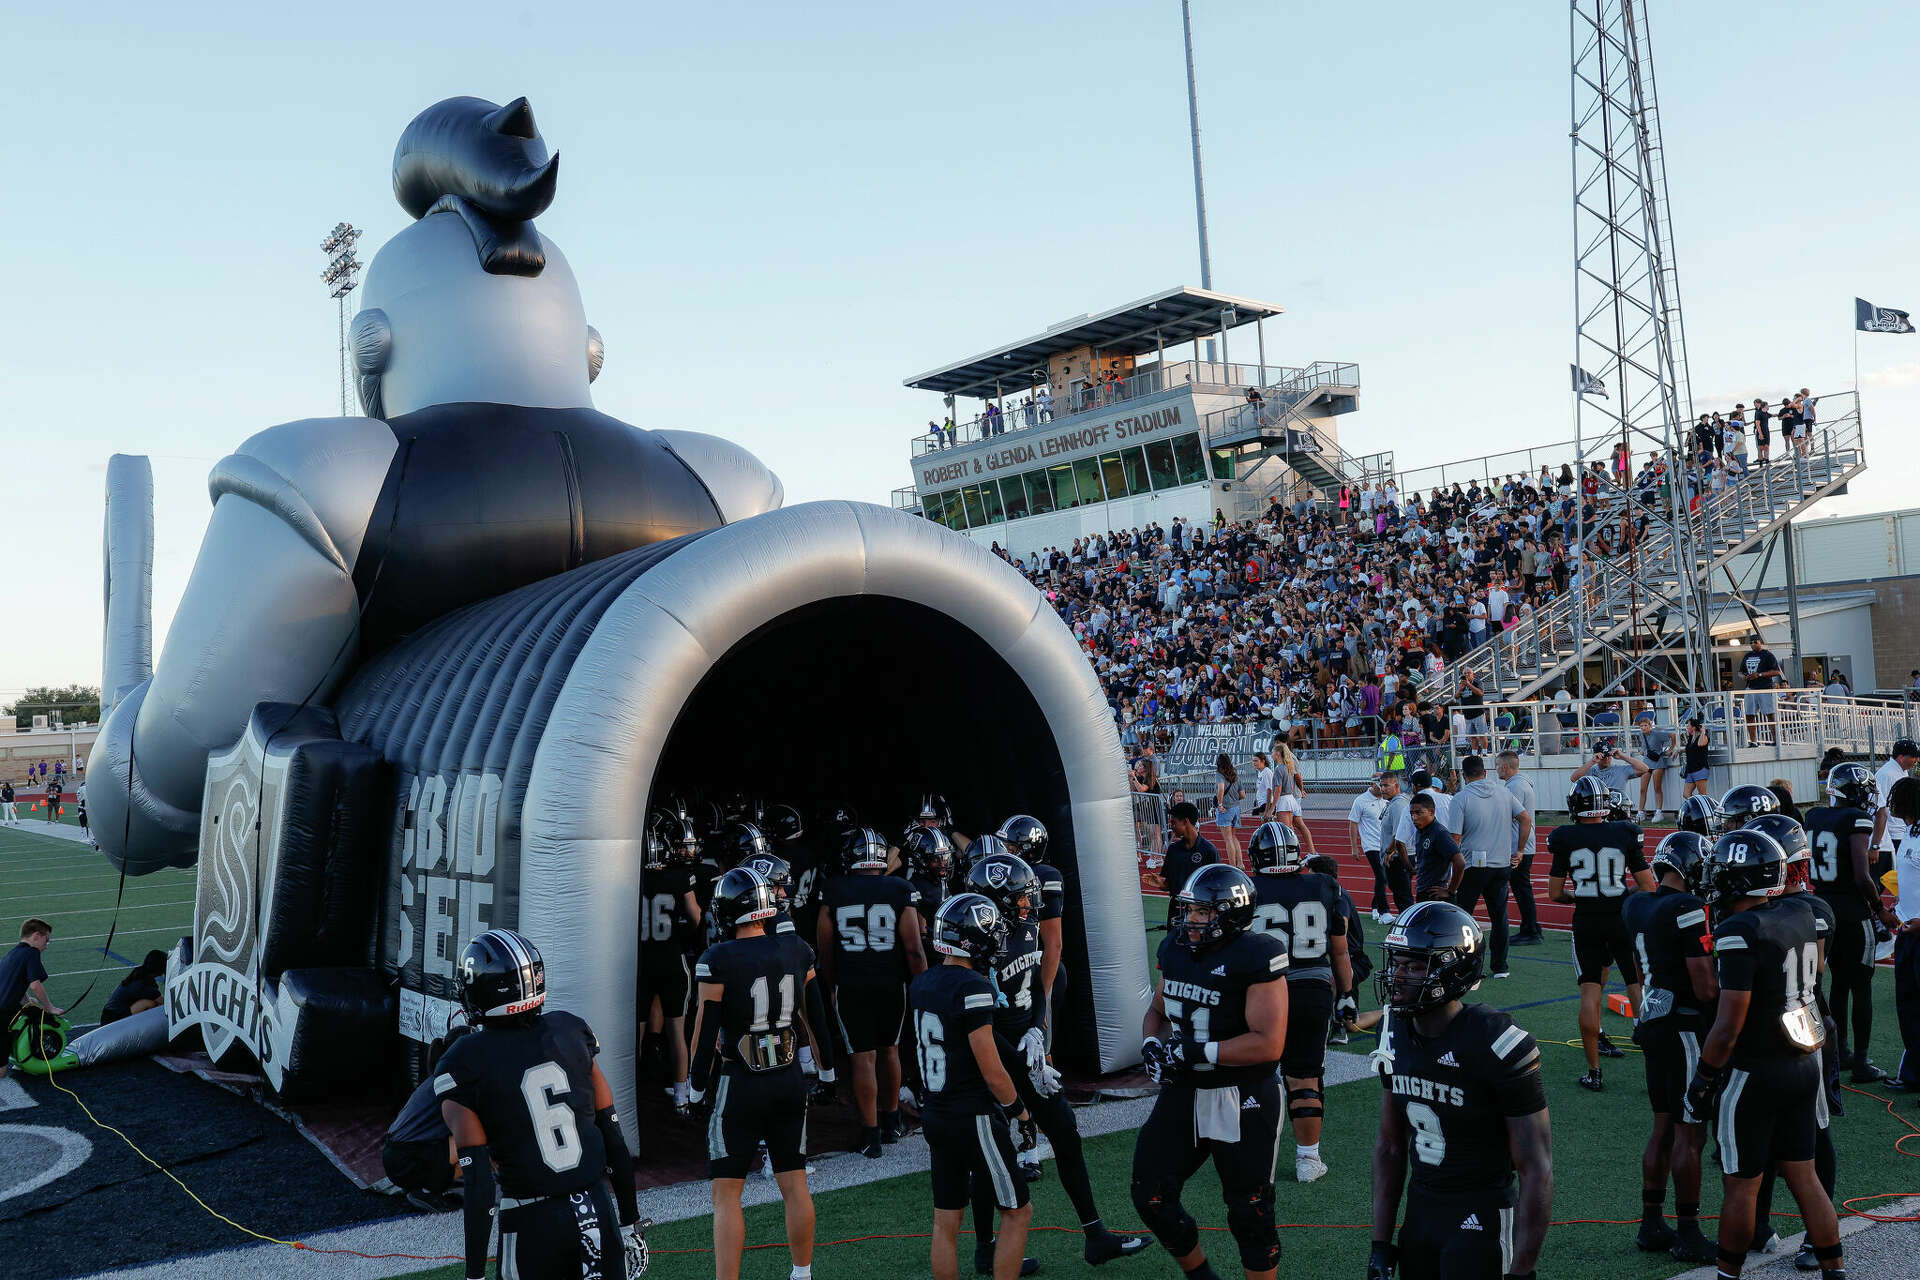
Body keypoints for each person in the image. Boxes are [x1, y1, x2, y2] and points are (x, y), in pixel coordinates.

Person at [963, 850, 1148, 1268]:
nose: (1030, 905)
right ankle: (984, 1249)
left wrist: (1037, 1033)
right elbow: (976, 1021)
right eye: (1021, 897)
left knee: (1064, 1129)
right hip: (988, 1056)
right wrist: (1021, 1051)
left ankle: (1095, 1234)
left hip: (1023, 1045)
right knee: (987, 1153)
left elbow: (1037, 986)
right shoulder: (974, 940)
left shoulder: (1026, 930)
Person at [436, 929, 647, 1280]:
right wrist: (628, 1222)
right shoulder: (571, 1031)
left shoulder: (463, 1061)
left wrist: (474, 1274)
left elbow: (479, 1183)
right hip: (595, 1209)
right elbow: (612, 1136)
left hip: (531, 1219)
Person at [1684, 830, 1847, 1279]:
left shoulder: (1739, 930)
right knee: (1805, 1177)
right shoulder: (1802, 911)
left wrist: (1703, 1079)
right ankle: (1835, 1273)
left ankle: (1727, 1275)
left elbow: (1728, 1021)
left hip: (1754, 1071)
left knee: (1742, 1187)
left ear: (1739, 878)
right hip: (1801, 1063)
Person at [1368, 901, 1552, 1280]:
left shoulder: (1496, 1041)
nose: (1398, 976)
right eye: (1397, 962)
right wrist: (1380, 1244)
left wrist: (1523, 1271)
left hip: (1480, 1214)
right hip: (1420, 1212)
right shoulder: (1392, 1029)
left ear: (1454, 970)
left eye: (1414, 965)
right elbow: (1390, 1146)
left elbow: (1535, 1166)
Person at [1131, 865, 1289, 1280]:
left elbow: (1268, 1043)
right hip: (1186, 1088)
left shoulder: (1256, 954)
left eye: (1203, 912)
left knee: (1249, 1210)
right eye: (1189, 910)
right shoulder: (1175, 949)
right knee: (1150, 1194)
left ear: (1232, 913)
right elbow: (1157, 1011)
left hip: (1243, 1093)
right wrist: (1151, 1041)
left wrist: (1199, 1049)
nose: (1191, 920)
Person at [689, 867, 833, 1280]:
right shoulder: (796, 949)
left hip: (741, 1082)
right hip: (788, 1079)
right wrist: (826, 1073)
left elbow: (705, 1033)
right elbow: (817, 1020)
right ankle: (802, 1273)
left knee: (726, 1193)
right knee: (794, 1182)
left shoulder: (716, 959)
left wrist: (697, 1090)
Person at [911, 893, 1035, 1280]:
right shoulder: (972, 987)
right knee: (1017, 1211)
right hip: (973, 1115)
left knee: (946, 1222)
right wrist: (1020, 1111)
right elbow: (991, 1069)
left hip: (935, 1112)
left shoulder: (922, 982)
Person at [1621, 832, 1718, 1263]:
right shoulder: (1688, 907)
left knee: (1663, 1124)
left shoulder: (1636, 902)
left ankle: (1651, 1223)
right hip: (1683, 1026)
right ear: (1686, 866)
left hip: (1653, 1018)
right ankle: (1689, 1232)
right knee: (1689, 1131)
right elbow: (1705, 985)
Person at [1245, 822, 1352, 1183]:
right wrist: (1348, 995)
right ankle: (1308, 1160)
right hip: (1312, 988)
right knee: (1305, 1076)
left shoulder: (1248, 889)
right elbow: (1340, 952)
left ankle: (1254, 1156)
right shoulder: (1324, 885)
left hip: (1261, 991)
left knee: (1253, 1075)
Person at [818, 826, 926, 1157]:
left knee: (861, 1058)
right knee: (890, 1050)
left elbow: (825, 947)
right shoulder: (900, 889)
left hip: (851, 983)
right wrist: (923, 987)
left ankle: (870, 1134)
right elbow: (914, 949)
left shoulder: (833, 890)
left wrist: (832, 983)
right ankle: (891, 1119)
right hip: (891, 983)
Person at [1548, 775, 1656, 1091]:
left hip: (1587, 922)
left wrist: (1578, 897)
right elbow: (1648, 886)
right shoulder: (1625, 832)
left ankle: (1594, 1072)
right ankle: (1653, 1058)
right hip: (1620, 918)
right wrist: (1622, 896)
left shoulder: (1564, 837)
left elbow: (1555, 893)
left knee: (1590, 992)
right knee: (1635, 984)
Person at [1807, 763, 1896, 1084]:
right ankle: (1861, 1061)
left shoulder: (1814, 816)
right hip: (1852, 912)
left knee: (1838, 984)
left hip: (1821, 907)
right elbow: (1861, 876)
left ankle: (1840, 1051)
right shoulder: (1856, 819)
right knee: (1861, 986)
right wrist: (1879, 910)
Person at [638, 819, 704, 1107]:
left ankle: (634, 1088)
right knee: (677, 1029)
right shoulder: (679, 877)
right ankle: (680, 1094)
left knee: (636, 1028)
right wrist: (682, 935)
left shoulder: (630, 877)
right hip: (672, 958)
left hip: (639, 961)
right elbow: (696, 916)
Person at [1448, 756, 1530, 979]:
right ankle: (1500, 966)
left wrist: (1450, 869)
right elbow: (1525, 819)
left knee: (1463, 917)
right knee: (1499, 916)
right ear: (1485, 772)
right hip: (1501, 863)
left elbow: (1454, 838)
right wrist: (1520, 849)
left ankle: (1467, 966)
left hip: (1473, 864)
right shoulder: (1504, 792)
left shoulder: (1461, 798)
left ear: (1464, 776)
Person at [1884, 777, 1920, 1093]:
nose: (1891, 804)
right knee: (1907, 1005)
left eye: (1896, 798)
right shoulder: (1910, 831)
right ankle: (1913, 1075)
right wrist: (1902, 900)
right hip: (1907, 932)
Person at [0, 917, 63, 1080]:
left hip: (5, 1007)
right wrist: (50, 1007)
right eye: (46, 940)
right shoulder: (31, 952)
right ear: (36, 935)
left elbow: (15, 983)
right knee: (1, 1073)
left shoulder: (12, 953)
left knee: (33, 1005)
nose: (46, 946)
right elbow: (35, 985)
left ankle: (21, 1054)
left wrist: (28, 1001)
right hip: (3, 1013)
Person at [1498, 752, 1544, 946]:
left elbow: (1515, 816)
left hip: (1519, 844)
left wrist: (1520, 849)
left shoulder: (1515, 786)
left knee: (1521, 888)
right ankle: (1531, 926)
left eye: (1498, 765)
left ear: (1506, 767)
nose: (1497, 768)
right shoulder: (1520, 783)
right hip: (1522, 843)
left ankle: (1530, 930)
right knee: (1521, 887)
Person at [1349, 774, 1401, 921]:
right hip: (1371, 845)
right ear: (1373, 784)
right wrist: (1354, 847)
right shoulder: (1360, 801)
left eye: (1386, 786)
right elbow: (1353, 823)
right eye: (1381, 785)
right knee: (1381, 875)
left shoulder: (1387, 801)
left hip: (1385, 845)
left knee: (1386, 877)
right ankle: (1384, 912)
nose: (1384, 789)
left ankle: (1375, 906)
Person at [1159, 802, 1219, 927]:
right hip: (1176, 910)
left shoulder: (1209, 851)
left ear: (1185, 821)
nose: (1172, 827)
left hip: (1199, 913)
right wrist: (1161, 884)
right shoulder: (1173, 850)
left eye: (1174, 823)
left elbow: (1216, 887)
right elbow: (1169, 885)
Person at [1869, 738, 1920, 881]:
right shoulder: (1886, 774)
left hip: (1901, 831)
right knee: (1891, 876)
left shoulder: (1900, 771)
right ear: (1901, 757)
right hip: (1892, 834)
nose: (1916, 760)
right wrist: (1877, 843)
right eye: (1913, 756)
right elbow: (1881, 808)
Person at [1408, 794, 1464, 903]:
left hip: (1435, 894)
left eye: (1419, 813)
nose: (1414, 817)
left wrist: (1450, 891)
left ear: (1431, 812)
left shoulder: (1439, 833)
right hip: (1424, 891)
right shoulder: (1421, 830)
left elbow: (1460, 862)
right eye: (1412, 813)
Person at [100, 948, 168, 1024]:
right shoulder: (144, 984)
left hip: (109, 1015)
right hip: (111, 1020)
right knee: (150, 1004)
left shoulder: (141, 974)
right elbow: (165, 1004)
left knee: (151, 1003)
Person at [1738, 635, 1783, 748]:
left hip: (1764, 687)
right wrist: (1744, 677)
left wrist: (1759, 674)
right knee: (1749, 715)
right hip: (1750, 688)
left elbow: (1776, 672)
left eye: (1755, 642)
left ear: (1760, 642)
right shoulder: (1747, 655)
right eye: (1751, 642)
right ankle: (1753, 741)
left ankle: (1776, 739)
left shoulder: (1767, 655)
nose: (1753, 644)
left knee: (1770, 714)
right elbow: (1740, 671)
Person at [1634, 712, 1675, 822]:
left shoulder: (1657, 733)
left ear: (1650, 725)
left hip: (1657, 762)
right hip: (1646, 762)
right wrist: (1643, 751)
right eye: (1641, 726)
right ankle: (1640, 812)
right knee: (1643, 789)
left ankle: (1658, 812)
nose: (1643, 728)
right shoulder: (1641, 734)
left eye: (1645, 725)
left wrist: (1671, 749)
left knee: (1657, 788)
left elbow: (1672, 735)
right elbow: (1643, 746)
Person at [1213, 754, 1245, 867]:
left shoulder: (1219, 775)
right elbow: (1243, 794)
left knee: (1228, 839)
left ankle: (1232, 865)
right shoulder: (1235, 774)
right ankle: (1240, 863)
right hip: (1236, 807)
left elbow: (1221, 789)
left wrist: (1220, 804)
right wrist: (1234, 799)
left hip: (1226, 808)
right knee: (1233, 836)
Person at [1681, 717, 1712, 799]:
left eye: (1688, 726)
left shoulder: (1703, 737)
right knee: (1686, 794)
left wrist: (1703, 732)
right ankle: (1697, 807)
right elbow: (1690, 748)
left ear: (1693, 727)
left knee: (1702, 794)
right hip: (1690, 769)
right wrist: (1678, 750)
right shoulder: (1691, 738)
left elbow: (1700, 744)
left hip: (1700, 768)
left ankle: (1706, 810)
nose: (1687, 727)